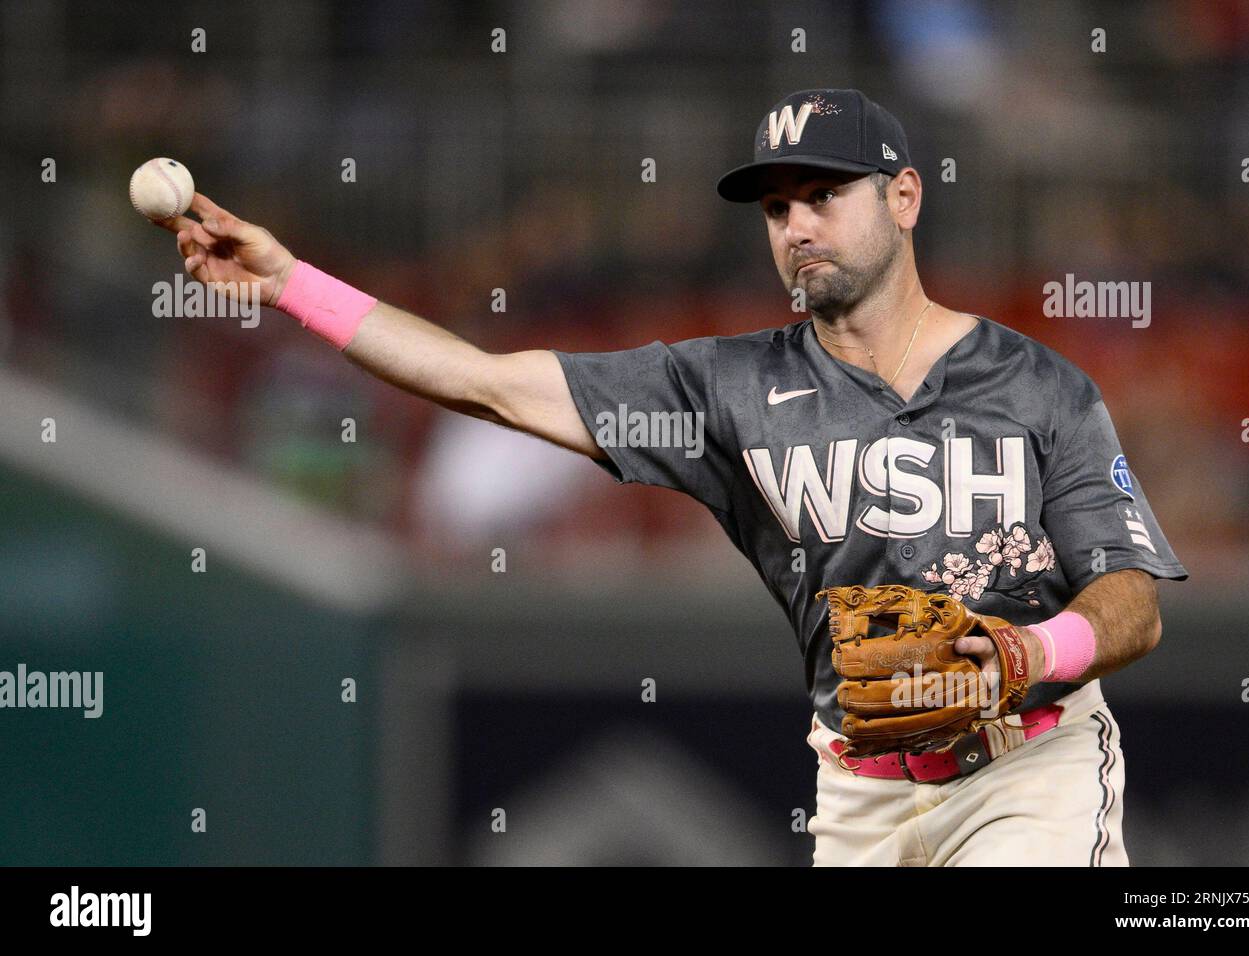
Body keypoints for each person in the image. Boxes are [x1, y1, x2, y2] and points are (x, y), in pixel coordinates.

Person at [157, 88, 1187, 866]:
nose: (797, 225)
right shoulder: (727, 387)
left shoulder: (1038, 386)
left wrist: (1022, 649)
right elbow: (487, 384)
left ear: (905, 195)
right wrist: (291, 283)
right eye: (777, 206)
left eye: (824, 194)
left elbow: (1131, 604)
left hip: (1025, 762)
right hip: (858, 794)